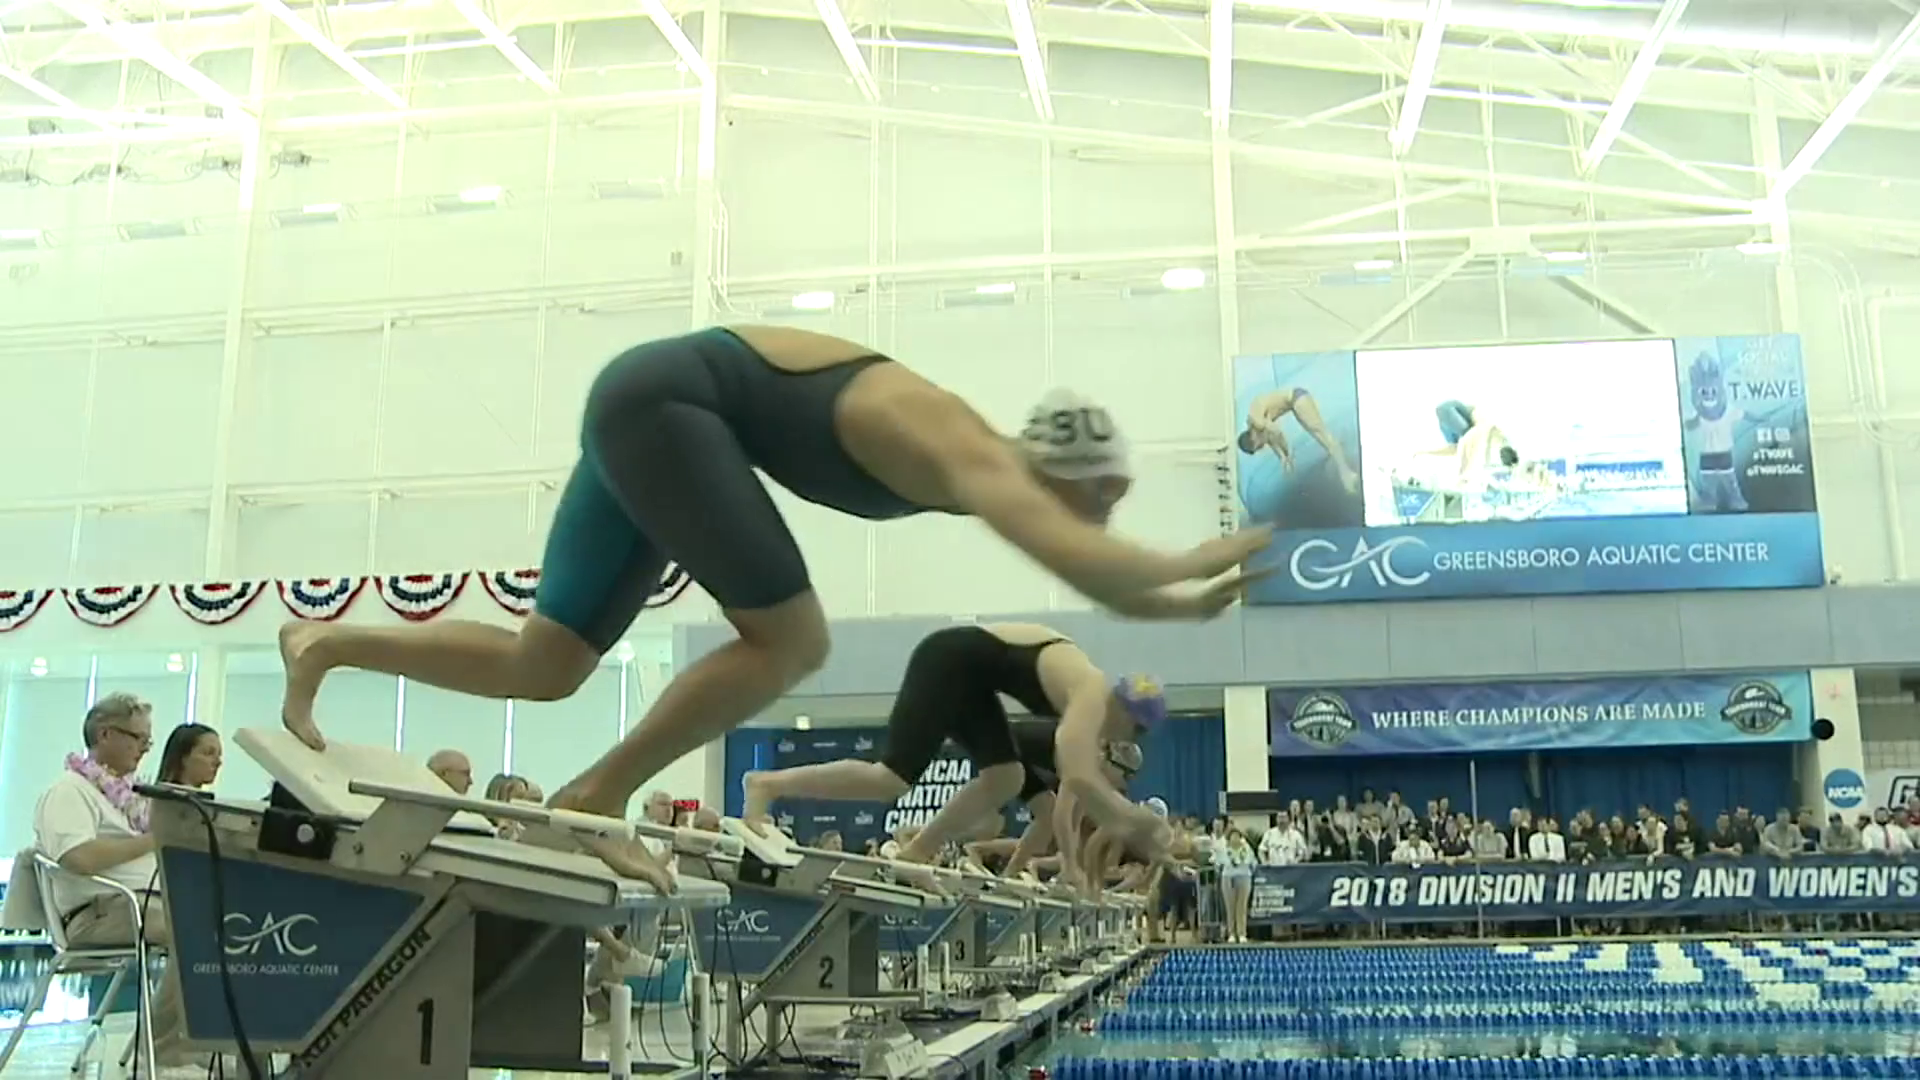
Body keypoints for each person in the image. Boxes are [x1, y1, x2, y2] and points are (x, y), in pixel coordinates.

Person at [274, 326, 1271, 890]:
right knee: (795, 638)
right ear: (1069, 478)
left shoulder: (983, 455)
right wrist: (1196, 579)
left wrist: (1186, 574)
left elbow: (1103, 560)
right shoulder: (978, 459)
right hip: (668, 409)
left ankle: (324, 640)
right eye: (1105, 501)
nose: (1104, 521)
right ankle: (591, 798)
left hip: (651, 407)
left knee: (549, 664)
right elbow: (1103, 573)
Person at [742, 623, 1161, 874]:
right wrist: (1125, 826)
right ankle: (766, 783)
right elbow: (1078, 782)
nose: (1130, 740)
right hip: (947, 661)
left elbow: (1073, 794)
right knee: (890, 779)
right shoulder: (1089, 696)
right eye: (1137, 732)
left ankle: (915, 853)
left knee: (1006, 777)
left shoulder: (1093, 706)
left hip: (973, 680)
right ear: (1127, 713)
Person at [34, 693, 196, 1070]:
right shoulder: (69, 791)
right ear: (105, 734)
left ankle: (171, 1045)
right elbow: (78, 857)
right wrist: (154, 840)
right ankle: (166, 1051)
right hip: (101, 913)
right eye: (138, 738)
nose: (144, 749)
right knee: (200, 929)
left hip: (142, 904)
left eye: (147, 741)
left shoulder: (127, 797)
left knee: (228, 921)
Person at [1236, 388, 1359, 492]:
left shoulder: (1257, 422)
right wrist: (1283, 458)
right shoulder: (1256, 423)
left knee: (1321, 434)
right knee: (1321, 438)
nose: (1262, 446)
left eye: (1259, 446)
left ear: (1253, 439)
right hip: (1295, 402)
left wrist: (1287, 454)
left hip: (1297, 399)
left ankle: (1346, 473)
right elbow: (1271, 440)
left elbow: (1277, 434)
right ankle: (1345, 472)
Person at [1213, 827, 1255, 944]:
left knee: (1241, 907)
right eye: (1233, 836)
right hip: (1228, 878)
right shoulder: (1224, 849)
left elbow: (1253, 862)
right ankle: (1231, 933)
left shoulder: (1246, 848)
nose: (1235, 838)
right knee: (1230, 906)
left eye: (1237, 836)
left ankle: (1242, 933)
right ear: (1229, 838)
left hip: (1244, 877)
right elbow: (1217, 864)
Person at [155, 723, 222, 790]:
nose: (218, 762)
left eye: (219, 755)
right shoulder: (157, 798)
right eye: (208, 753)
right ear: (183, 757)